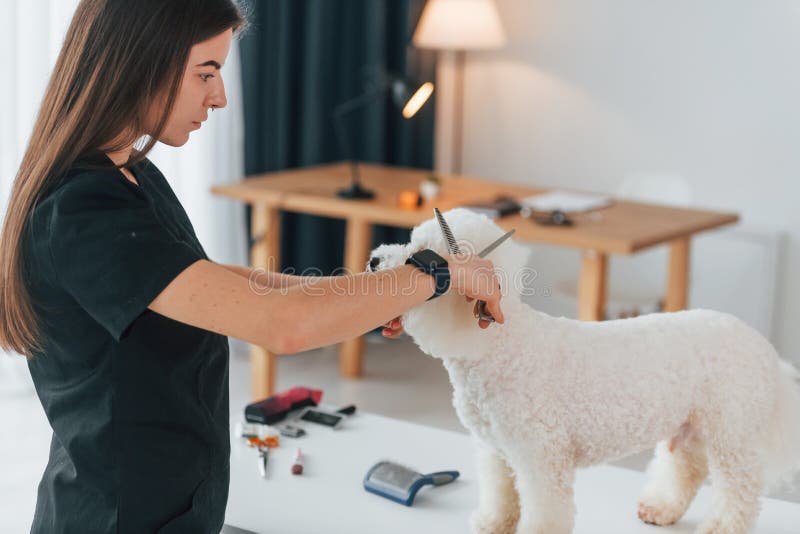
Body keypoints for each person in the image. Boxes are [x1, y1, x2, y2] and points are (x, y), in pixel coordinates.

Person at [0, 1, 504, 533]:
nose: (218, 98)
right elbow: (281, 324)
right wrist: (434, 272)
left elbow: (225, 282)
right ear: (140, 59)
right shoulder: (83, 211)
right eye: (206, 74)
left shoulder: (131, 176)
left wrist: (378, 296)